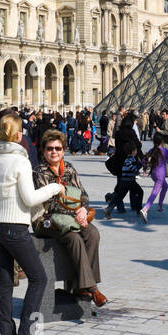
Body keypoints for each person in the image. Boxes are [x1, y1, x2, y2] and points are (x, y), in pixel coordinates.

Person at [0, 113, 63, 335]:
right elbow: (29, 198)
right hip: (15, 226)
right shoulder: (21, 162)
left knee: (5, 281)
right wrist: (54, 188)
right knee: (38, 278)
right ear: (18, 135)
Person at [34, 129, 107, 306]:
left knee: (93, 233)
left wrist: (83, 209)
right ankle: (91, 289)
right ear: (44, 150)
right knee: (74, 238)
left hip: (72, 218)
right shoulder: (39, 172)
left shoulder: (69, 168)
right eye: (50, 148)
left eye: (58, 148)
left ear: (63, 150)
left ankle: (83, 286)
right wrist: (77, 217)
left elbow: (83, 194)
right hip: (46, 221)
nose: (54, 152)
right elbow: (50, 205)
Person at [140, 129, 168, 220]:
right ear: (162, 141)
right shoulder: (164, 150)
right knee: (154, 192)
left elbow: (143, 160)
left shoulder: (151, 150)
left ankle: (160, 205)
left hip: (154, 174)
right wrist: (167, 160)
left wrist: (144, 168)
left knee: (165, 187)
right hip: (160, 175)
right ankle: (145, 209)